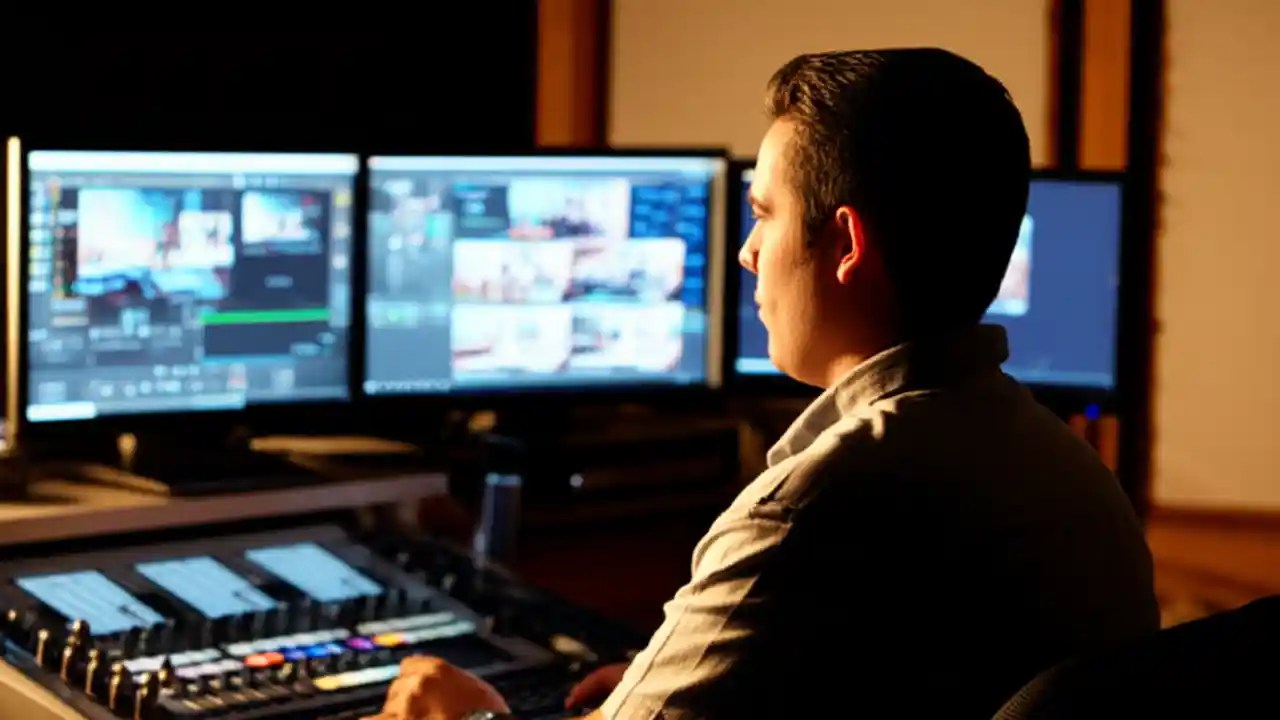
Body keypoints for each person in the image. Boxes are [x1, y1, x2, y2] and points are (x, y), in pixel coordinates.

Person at [364, 48, 1159, 720]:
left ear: (844, 243)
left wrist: (469, 714)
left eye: (763, 213)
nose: (746, 253)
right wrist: (664, 683)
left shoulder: (816, 503)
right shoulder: (1069, 470)